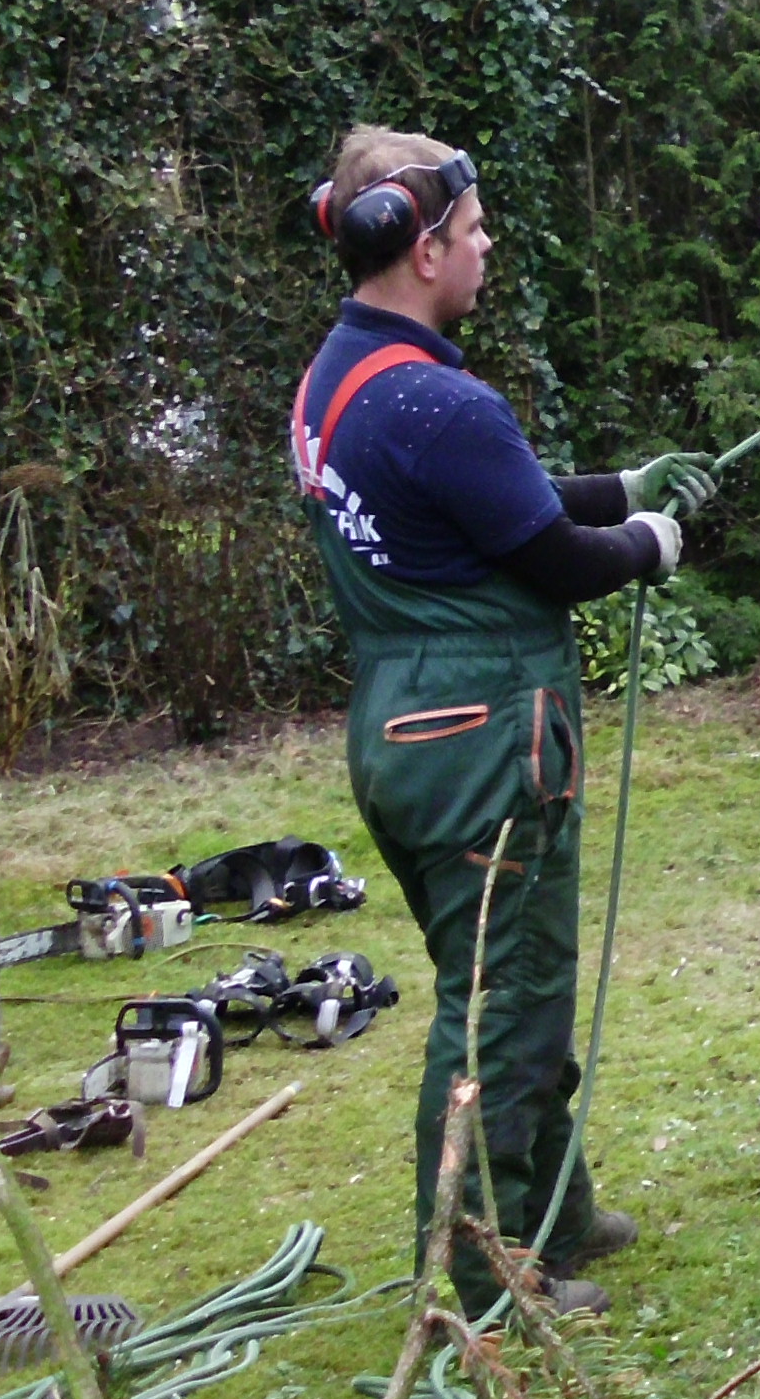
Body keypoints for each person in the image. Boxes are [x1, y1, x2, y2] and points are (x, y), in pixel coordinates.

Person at [290, 127, 714, 1315]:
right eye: (472, 232)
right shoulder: (435, 399)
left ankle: (549, 1207)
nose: (487, 249)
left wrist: (623, 489)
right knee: (500, 1002)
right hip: (479, 736)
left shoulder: (343, 377)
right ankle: (483, 1278)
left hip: (408, 723)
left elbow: (491, 503)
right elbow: (547, 554)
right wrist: (646, 543)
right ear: (420, 249)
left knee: (512, 979)